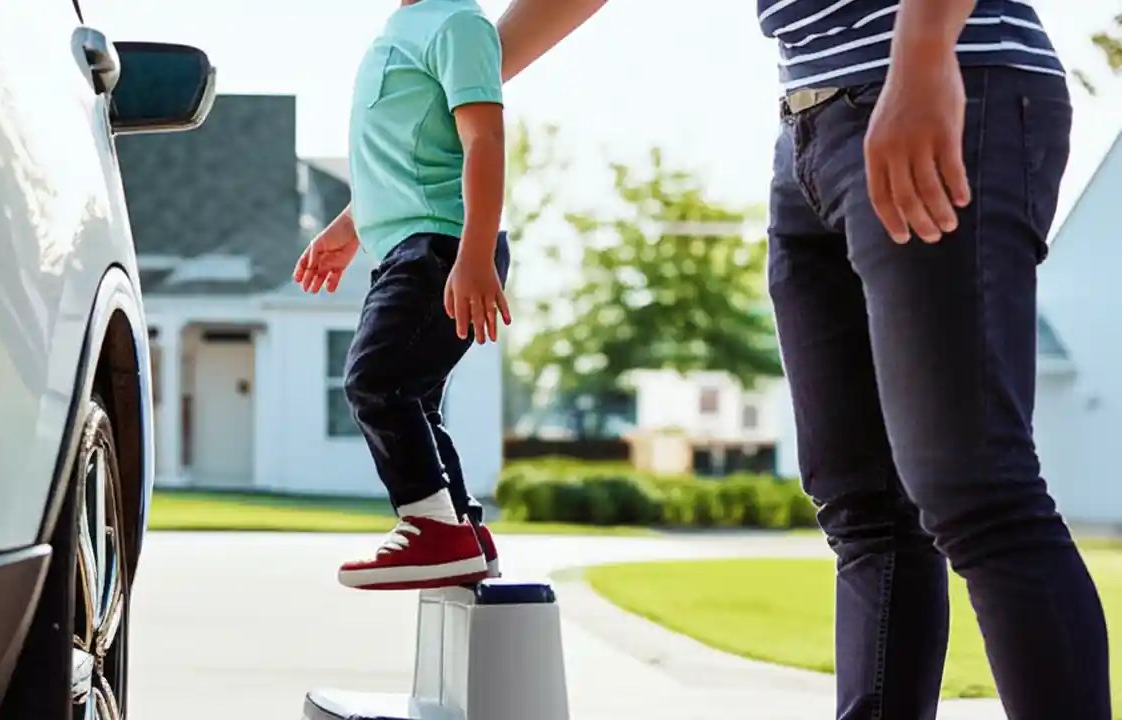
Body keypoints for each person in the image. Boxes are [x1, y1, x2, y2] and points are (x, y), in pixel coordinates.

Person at [488, 1, 1113, 719]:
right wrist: (443, 100)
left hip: (942, 78)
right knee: (867, 512)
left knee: (977, 490)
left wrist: (922, 51)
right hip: (810, 127)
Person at [293, 0, 511, 590]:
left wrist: (473, 253)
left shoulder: (457, 25)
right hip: (407, 248)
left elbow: (484, 140)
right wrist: (347, 228)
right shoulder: (400, 32)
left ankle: (431, 527)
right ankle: (462, 531)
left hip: (442, 246)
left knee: (376, 381)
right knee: (412, 397)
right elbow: (398, 160)